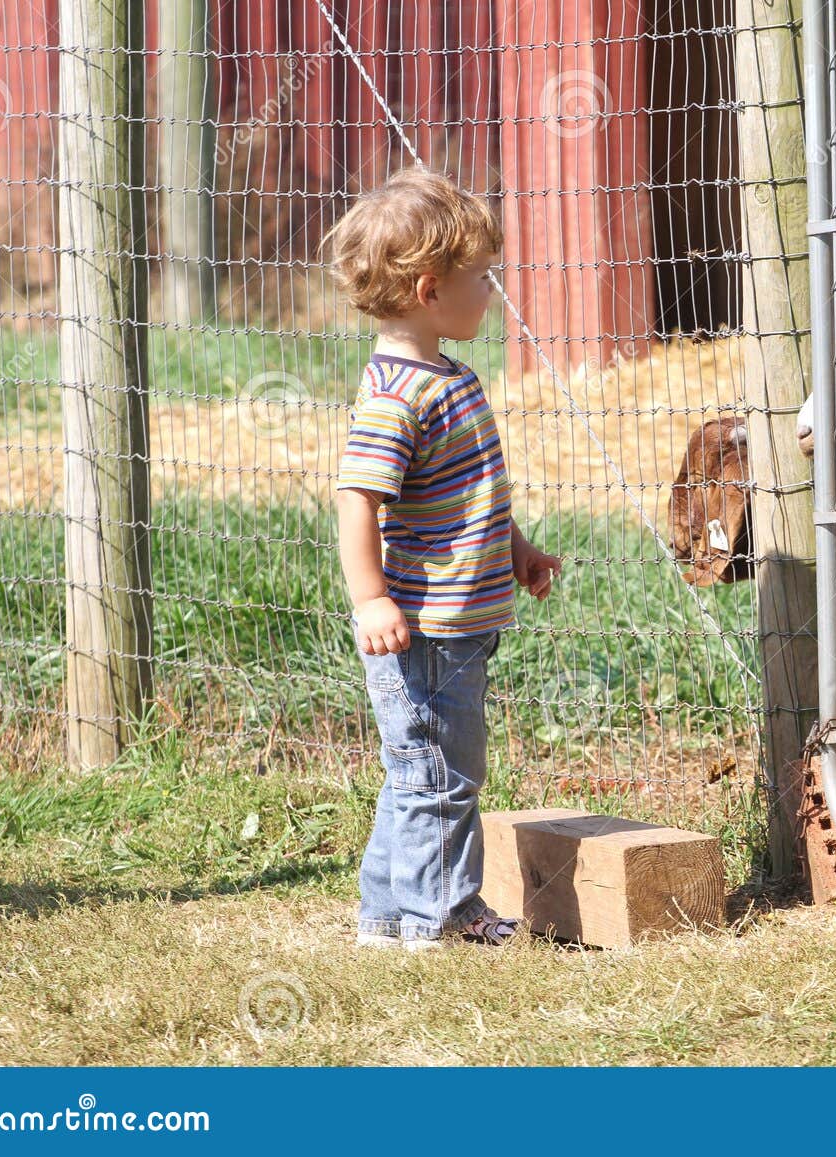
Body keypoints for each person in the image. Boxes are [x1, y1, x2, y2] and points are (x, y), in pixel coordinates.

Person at [325, 166, 561, 951]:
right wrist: (371, 600)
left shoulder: (448, 378)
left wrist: (514, 549)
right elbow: (356, 499)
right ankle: (440, 919)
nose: (492, 291)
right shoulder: (398, 396)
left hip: (462, 618)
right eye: (481, 278)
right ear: (430, 290)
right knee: (441, 780)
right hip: (424, 629)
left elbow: (473, 493)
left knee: (418, 775)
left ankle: (389, 917)